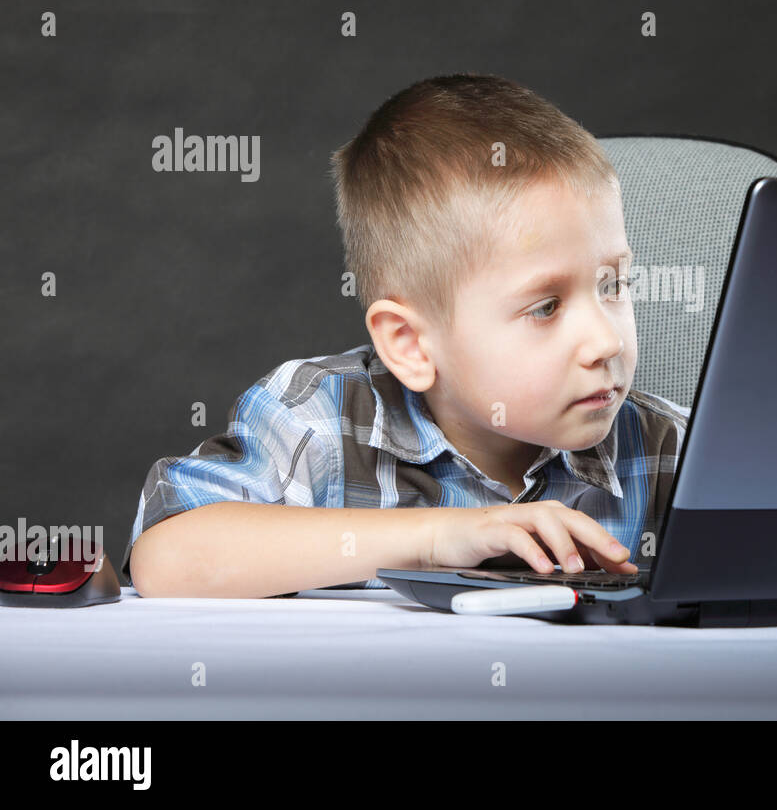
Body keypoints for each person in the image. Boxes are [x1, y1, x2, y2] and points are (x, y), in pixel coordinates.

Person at [123, 74, 690, 598]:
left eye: (613, 284)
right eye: (545, 307)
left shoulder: (672, 451)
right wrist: (438, 536)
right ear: (410, 345)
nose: (607, 342)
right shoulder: (318, 420)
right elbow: (167, 556)